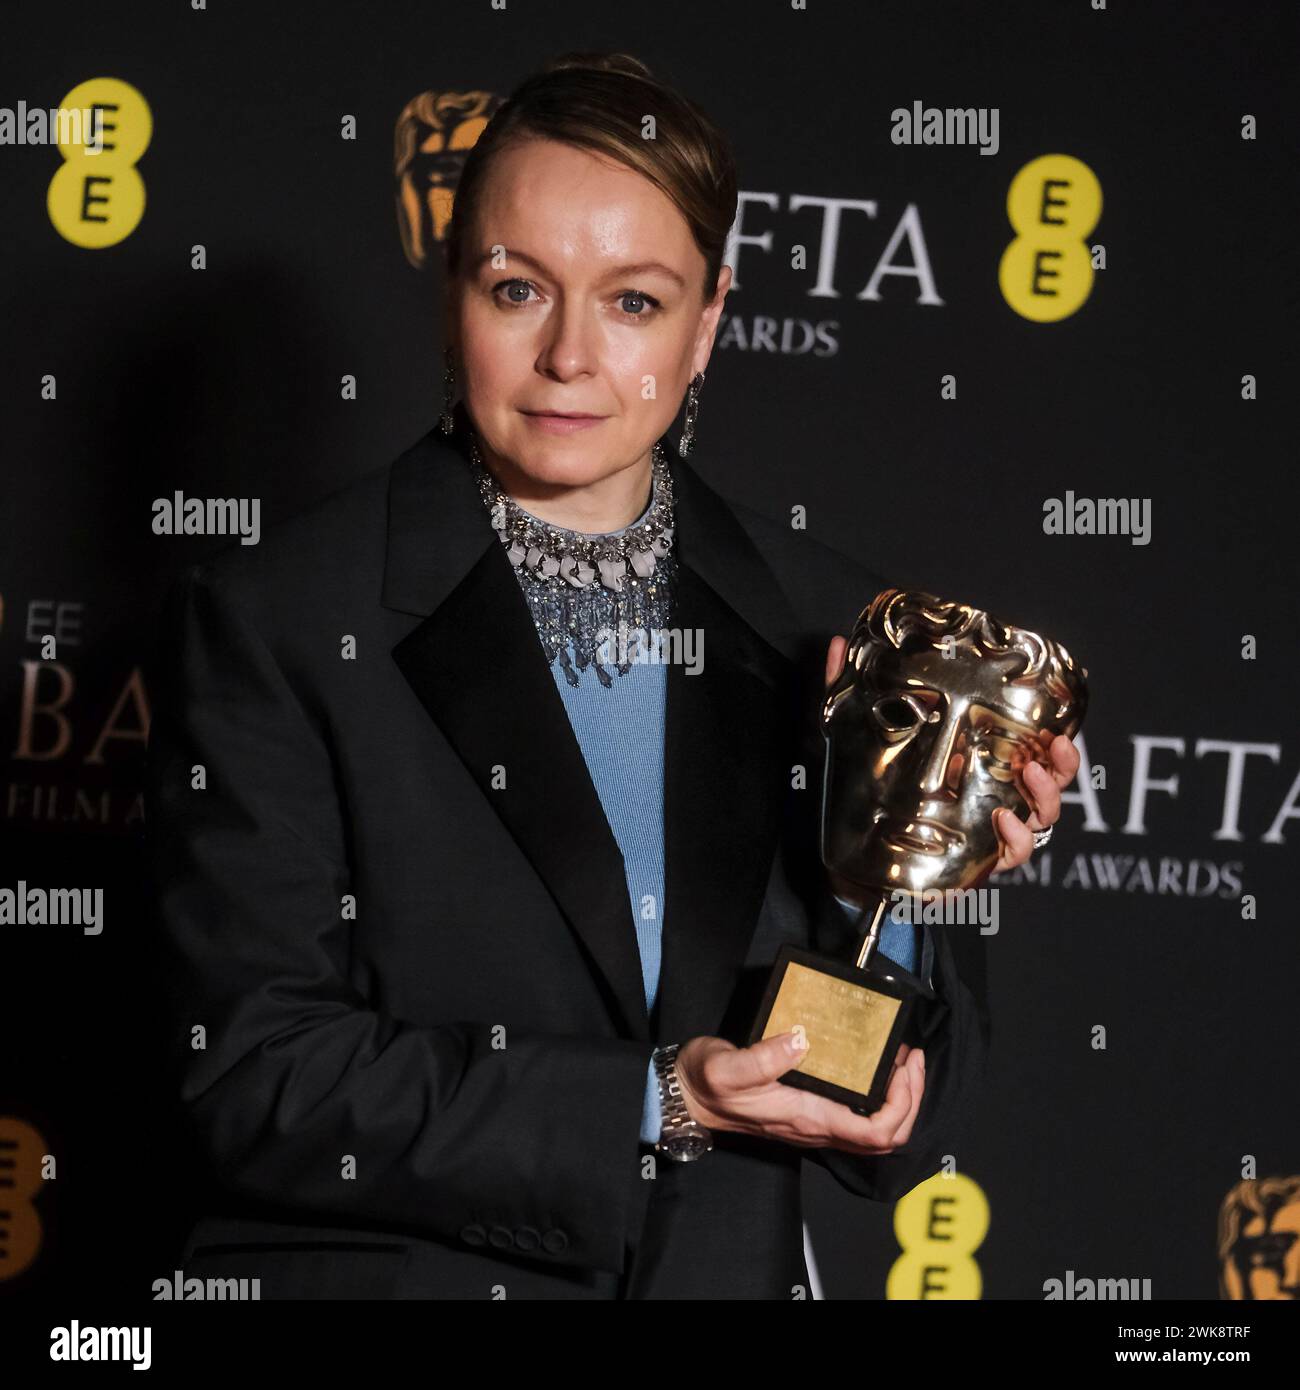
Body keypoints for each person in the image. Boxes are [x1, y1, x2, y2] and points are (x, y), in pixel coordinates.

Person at [144, 50, 1077, 1300]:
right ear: (452, 298)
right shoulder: (284, 618)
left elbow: (906, 1120)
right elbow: (254, 1074)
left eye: (634, 301)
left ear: (709, 323)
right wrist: (658, 1100)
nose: (570, 355)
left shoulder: (835, 624)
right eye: (519, 287)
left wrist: (927, 873)